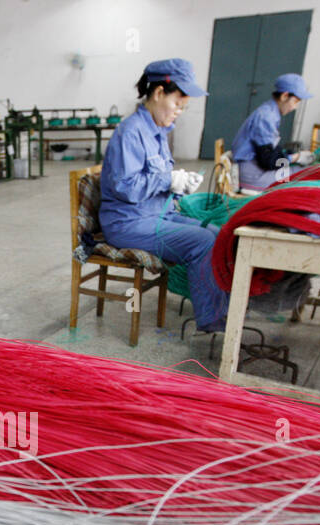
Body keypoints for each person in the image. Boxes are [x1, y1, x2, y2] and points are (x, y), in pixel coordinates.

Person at [98, 58, 229, 330]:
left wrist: (179, 186)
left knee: (218, 233)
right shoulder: (131, 132)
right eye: (178, 104)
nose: (180, 111)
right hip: (128, 222)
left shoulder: (157, 131)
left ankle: (224, 308)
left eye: (184, 107)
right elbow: (127, 187)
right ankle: (214, 320)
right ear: (158, 93)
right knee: (203, 242)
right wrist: (168, 179)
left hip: (155, 214)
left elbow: (157, 181)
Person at [231, 73, 314, 191]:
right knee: (304, 174)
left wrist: (289, 155)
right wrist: (295, 158)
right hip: (253, 175)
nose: (295, 107)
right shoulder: (267, 117)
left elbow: (271, 151)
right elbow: (268, 161)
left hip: (252, 168)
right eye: (295, 101)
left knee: (298, 171)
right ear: (285, 96)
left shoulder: (270, 112)